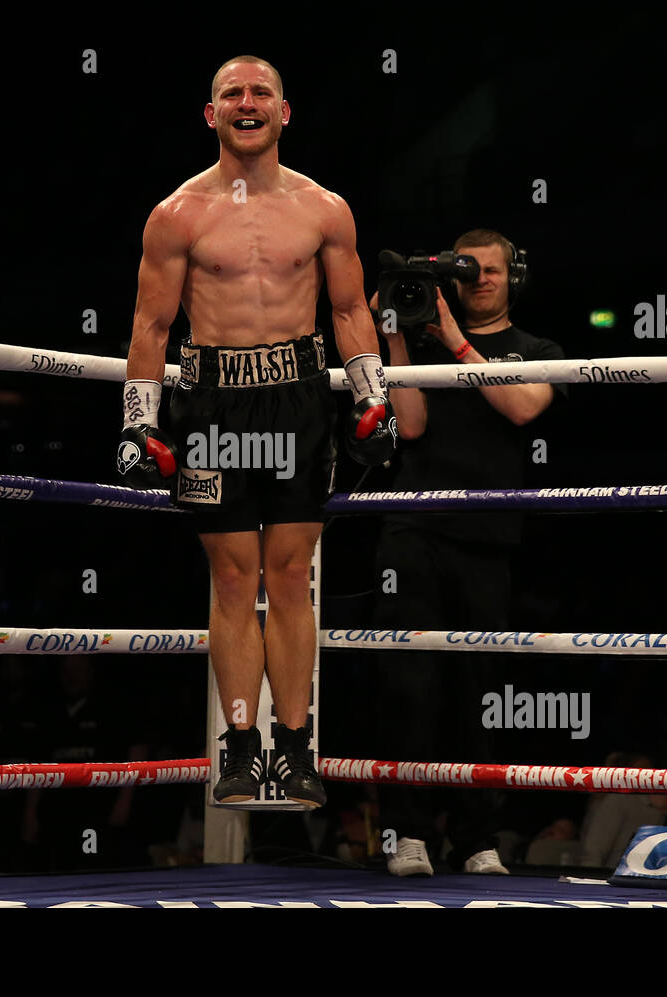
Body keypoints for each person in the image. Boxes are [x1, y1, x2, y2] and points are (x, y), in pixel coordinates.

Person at [115, 56, 395, 809]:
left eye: (259, 93)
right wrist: (137, 426)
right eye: (232, 94)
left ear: (284, 111)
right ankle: (240, 749)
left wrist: (375, 399)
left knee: (290, 574)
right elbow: (152, 324)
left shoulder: (324, 208)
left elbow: (347, 314)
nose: (247, 103)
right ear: (211, 115)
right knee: (235, 577)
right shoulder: (177, 214)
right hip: (212, 402)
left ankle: (296, 750)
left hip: (299, 398)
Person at [370, 229, 565, 875]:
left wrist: (455, 339)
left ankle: (479, 837)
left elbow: (521, 407)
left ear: (515, 278)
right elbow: (413, 425)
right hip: (413, 531)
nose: (479, 278)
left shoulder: (536, 349)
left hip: (486, 541)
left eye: (492, 270)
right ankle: (408, 835)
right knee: (409, 687)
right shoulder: (423, 341)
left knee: (480, 691)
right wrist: (397, 334)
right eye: (466, 269)